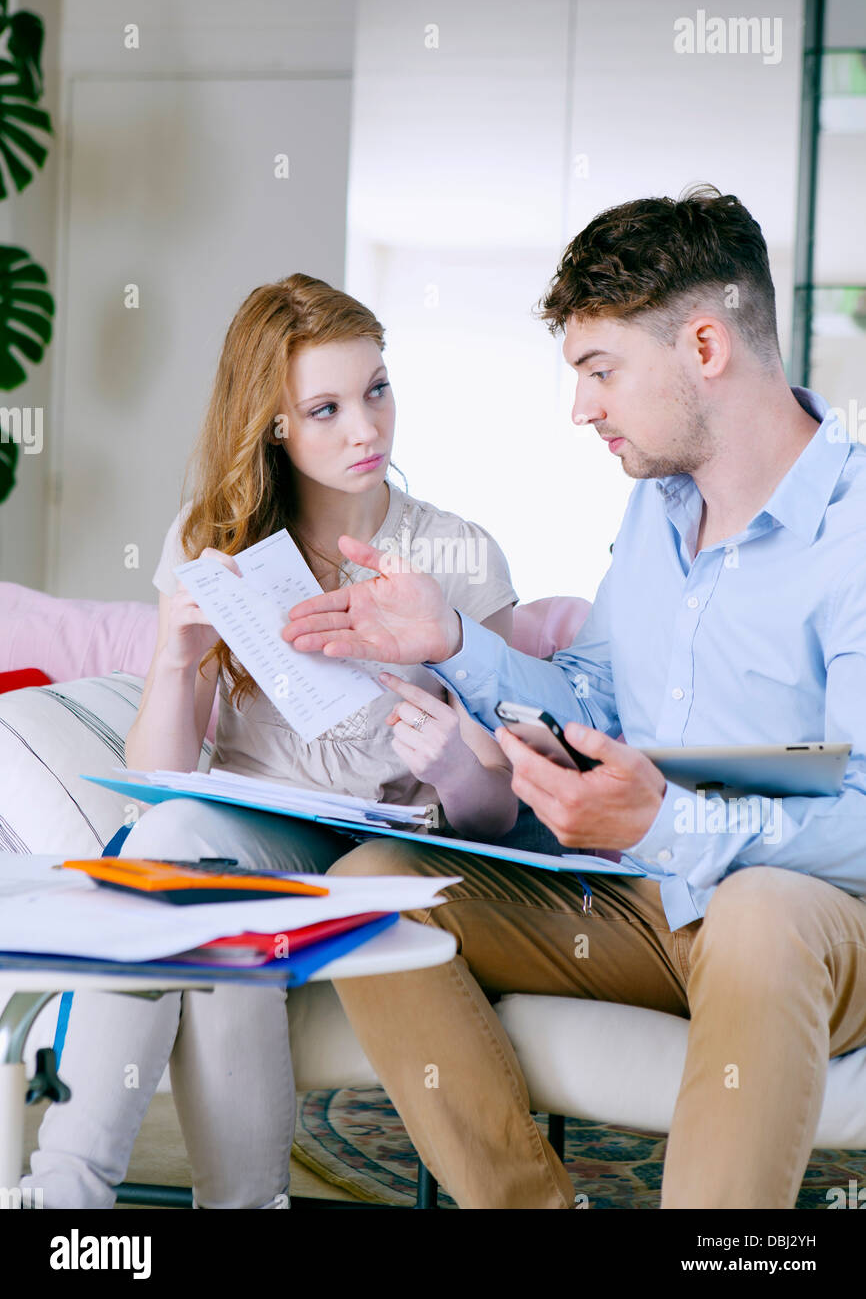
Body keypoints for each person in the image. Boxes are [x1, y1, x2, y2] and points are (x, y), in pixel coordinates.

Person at [282, 186, 866, 1210]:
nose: (581, 406)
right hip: (639, 900)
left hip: (809, 923)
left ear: (702, 346)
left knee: (758, 912)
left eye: (600, 371)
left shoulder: (853, 533)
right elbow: (589, 693)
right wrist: (452, 641)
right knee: (374, 883)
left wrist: (671, 822)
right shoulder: (653, 510)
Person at [24, 273, 521, 1209]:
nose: (365, 429)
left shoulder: (461, 555)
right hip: (255, 836)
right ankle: (88, 1198)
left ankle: (108, 1202)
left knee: (193, 884)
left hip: (390, 852)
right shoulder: (213, 539)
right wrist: (174, 660)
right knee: (179, 852)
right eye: (325, 408)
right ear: (273, 426)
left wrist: (457, 762)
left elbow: (507, 812)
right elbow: (160, 783)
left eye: (377, 389)